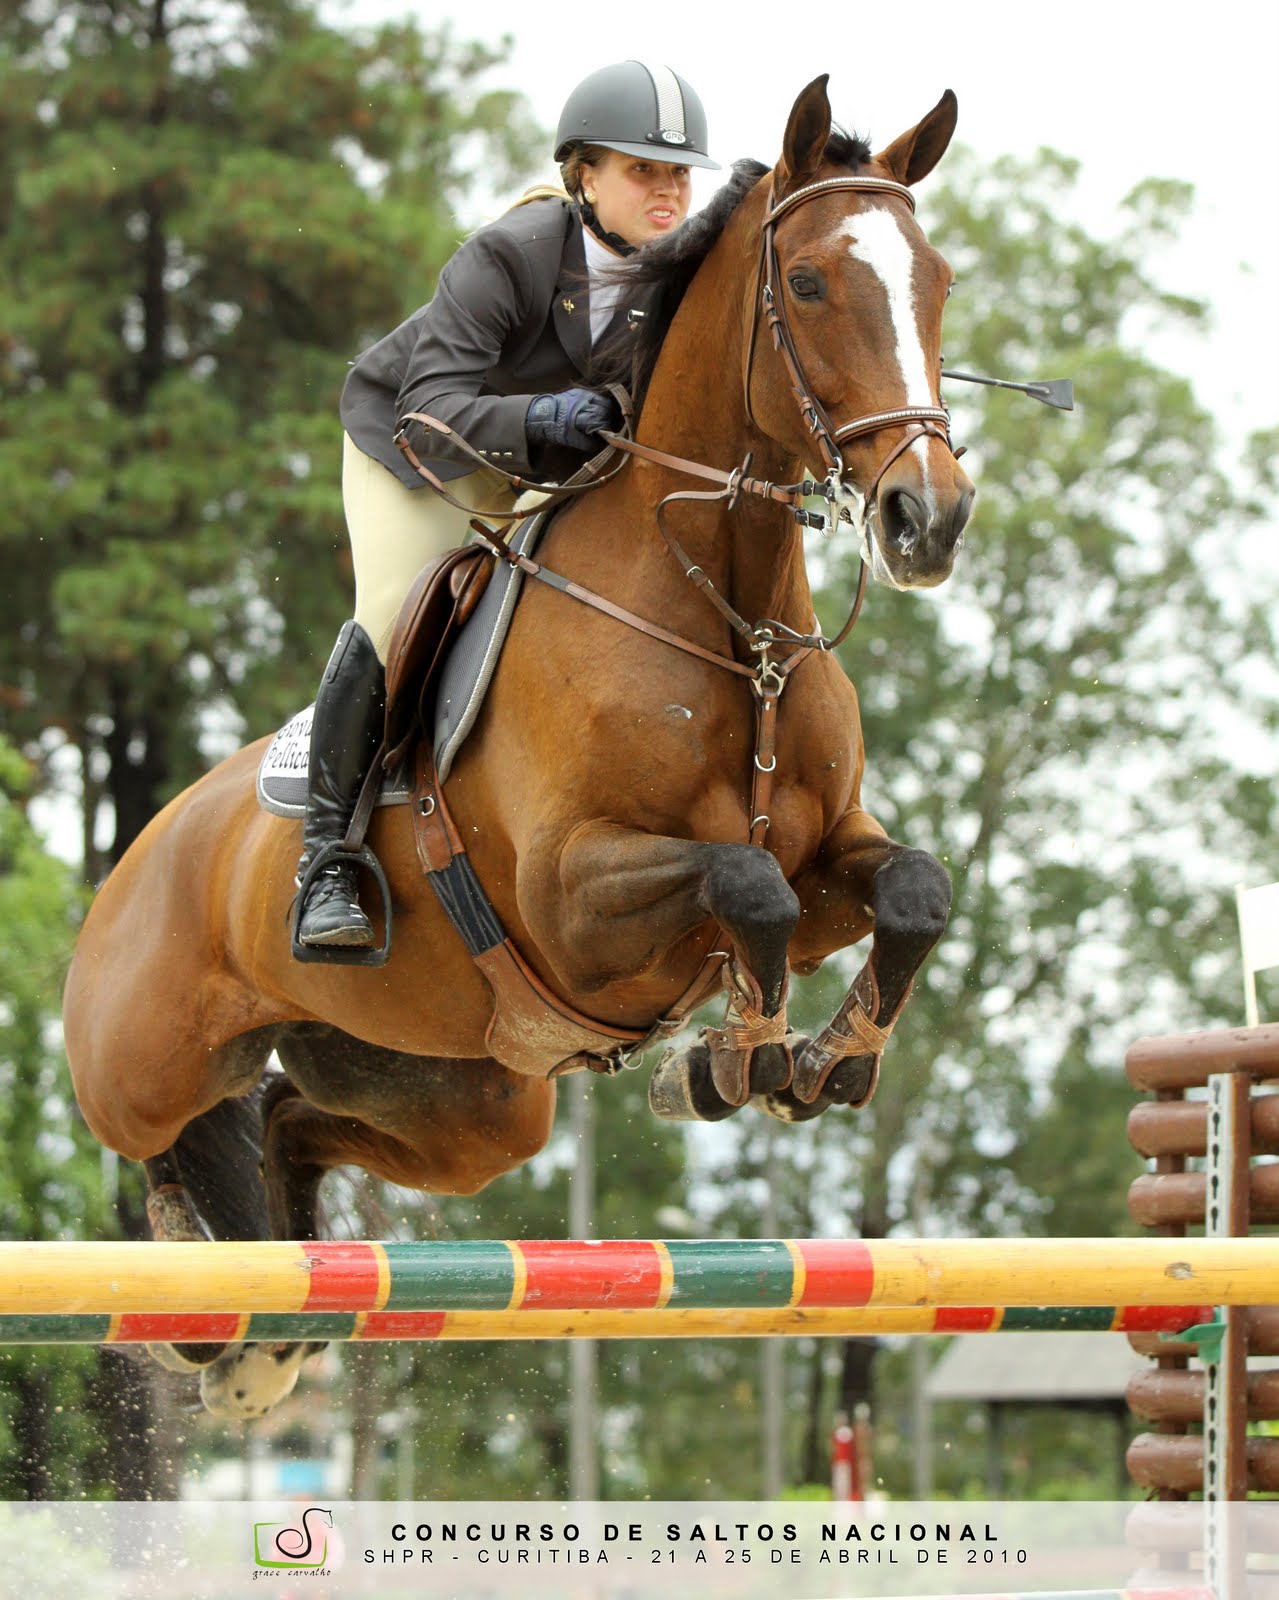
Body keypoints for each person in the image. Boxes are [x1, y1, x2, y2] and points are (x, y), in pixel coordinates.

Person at [295, 61, 719, 949]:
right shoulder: (511, 253)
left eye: (677, 172)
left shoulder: (675, 278)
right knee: (393, 614)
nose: (666, 188)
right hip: (414, 451)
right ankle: (325, 862)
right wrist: (547, 414)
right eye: (643, 169)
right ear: (583, 174)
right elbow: (428, 409)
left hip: (537, 458)